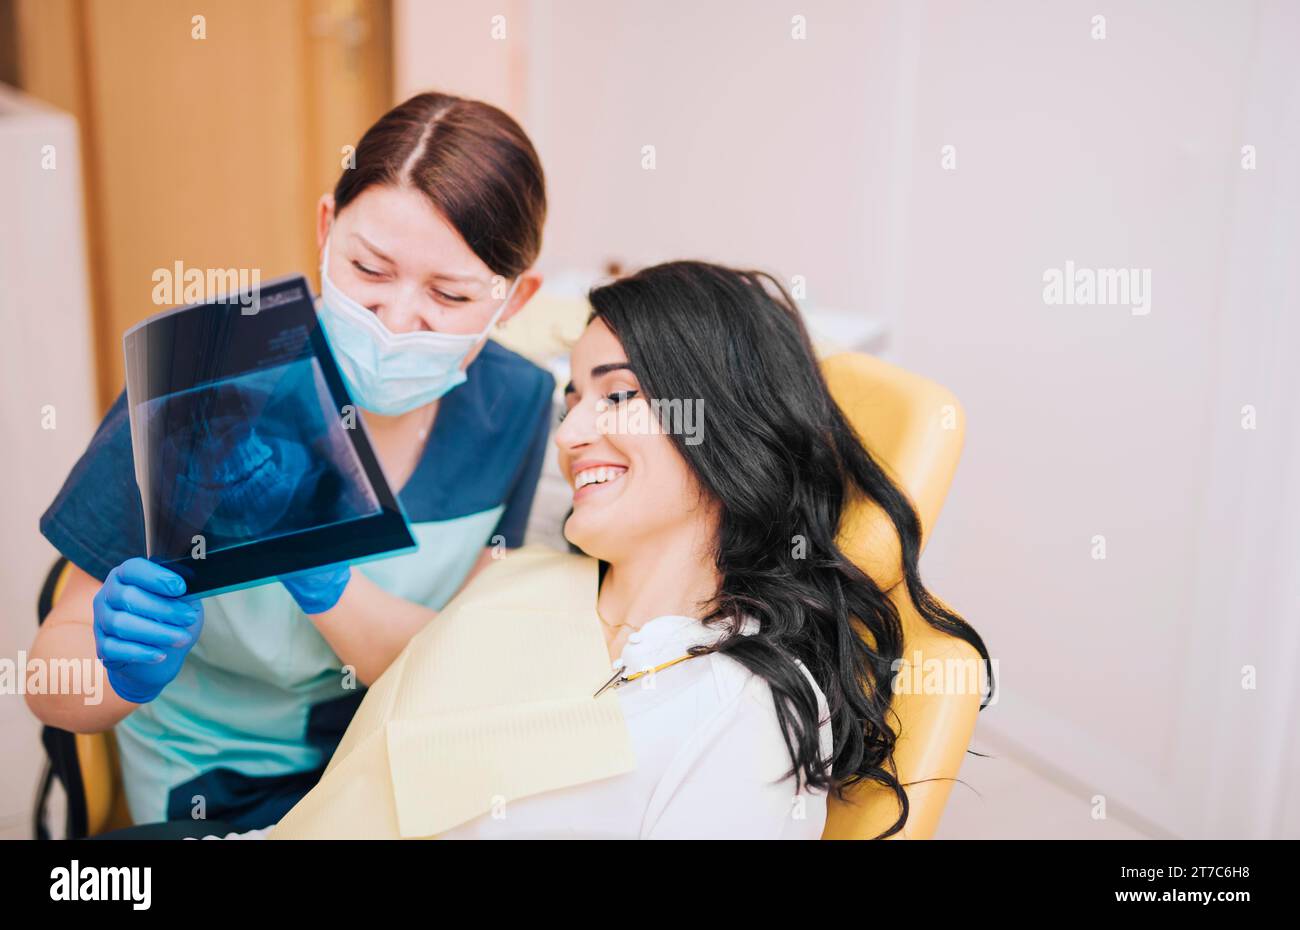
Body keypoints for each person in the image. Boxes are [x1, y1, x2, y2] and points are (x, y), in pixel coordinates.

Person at [207, 260, 994, 839]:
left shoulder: (737, 712)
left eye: (617, 394)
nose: (573, 432)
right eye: (573, 397)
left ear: (720, 418)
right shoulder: (530, 581)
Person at [27, 91, 555, 830]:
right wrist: (117, 669)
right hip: (216, 784)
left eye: (450, 294)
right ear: (325, 229)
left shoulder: (519, 406)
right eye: (370, 270)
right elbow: (51, 683)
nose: (398, 322)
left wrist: (326, 578)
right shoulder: (207, 382)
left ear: (516, 298)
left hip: (394, 770)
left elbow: (452, 669)